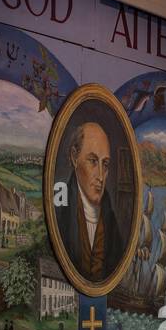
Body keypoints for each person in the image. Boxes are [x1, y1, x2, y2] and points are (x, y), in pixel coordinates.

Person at [54, 120, 126, 284]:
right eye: (93, 161)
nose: (100, 176)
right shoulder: (59, 209)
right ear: (74, 157)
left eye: (105, 164)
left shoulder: (111, 221)